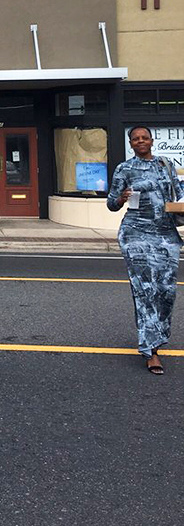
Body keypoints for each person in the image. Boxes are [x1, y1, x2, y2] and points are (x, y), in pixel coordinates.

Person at [107, 125, 184, 375]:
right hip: (136, 234)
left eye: (145, 138)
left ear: (151, 141)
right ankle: (150, 350)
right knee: (145, 291)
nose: (141, 141)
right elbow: (111, 203)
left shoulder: (166, 164)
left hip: (165, 235)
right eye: (136, 139)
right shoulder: (124, 169)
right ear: (131, 144)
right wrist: (121, 198)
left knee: (166, 292)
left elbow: (179, 196)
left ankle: (158, 337)